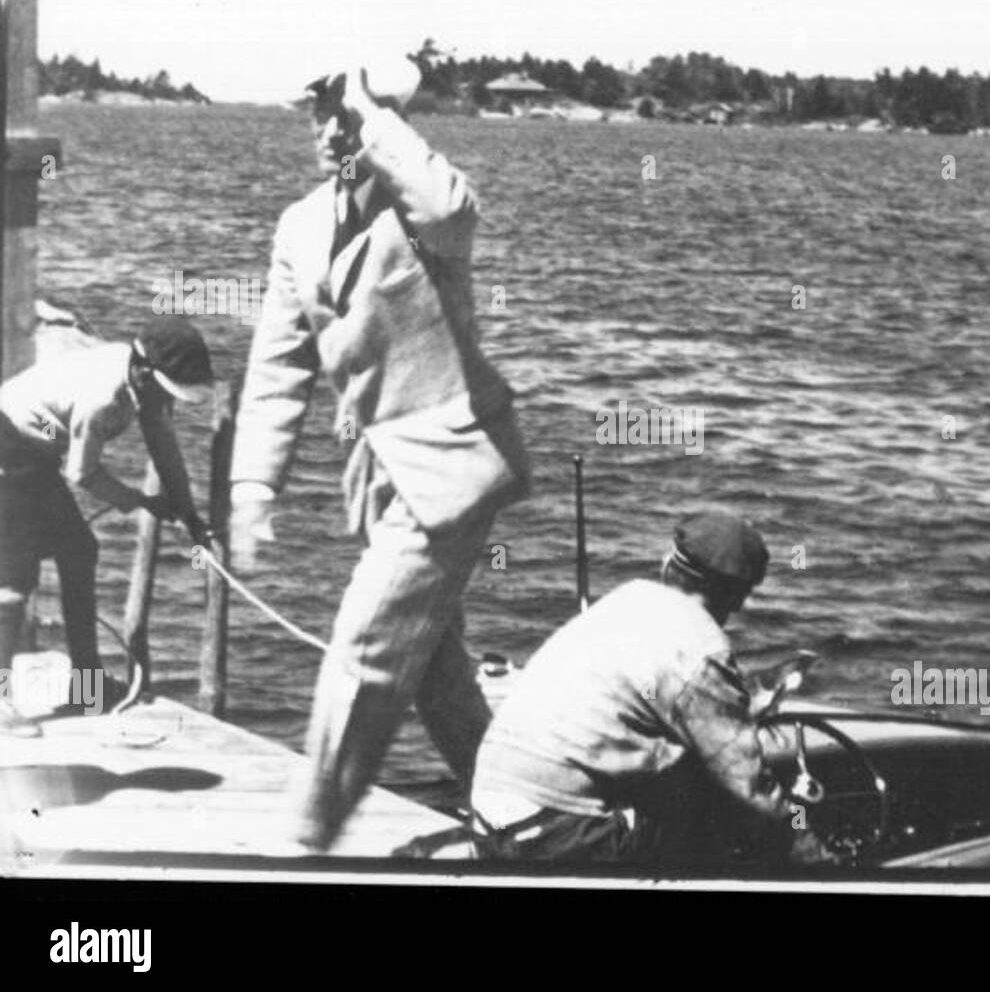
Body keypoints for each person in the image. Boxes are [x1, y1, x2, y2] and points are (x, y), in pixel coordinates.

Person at [228, 57, 530, 851]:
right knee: (434, 672)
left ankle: (307, 839)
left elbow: (453, 205)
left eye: (346, 117)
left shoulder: (422, 204)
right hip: (380, 478)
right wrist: (255, 487)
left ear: (384, 120)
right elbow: (278, 362)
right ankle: (522, 814)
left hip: (454, 466)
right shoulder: (298, 226)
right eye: (320, 115)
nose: (331, 132)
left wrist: (373, 112)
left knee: (365, 648)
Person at [470, 511, 832, 866]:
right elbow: (747, 787)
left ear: (668, 565)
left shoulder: (627, 599)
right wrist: (817, 859)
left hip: (487, 821)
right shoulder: (701, 648)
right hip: (556, 840)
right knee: (711, 800)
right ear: (737, 596)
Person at [0, 316, 212, 735]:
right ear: (145, 372)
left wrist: (188, 513)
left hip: (36, 449)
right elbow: (83, 473)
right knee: (12, 583)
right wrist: (140, 502)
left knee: (80, 550)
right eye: (166, 391)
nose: (166, 401)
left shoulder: (141, 386)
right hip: (8, 447)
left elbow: (165, 448)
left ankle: (87, 687)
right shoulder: (104, 398)